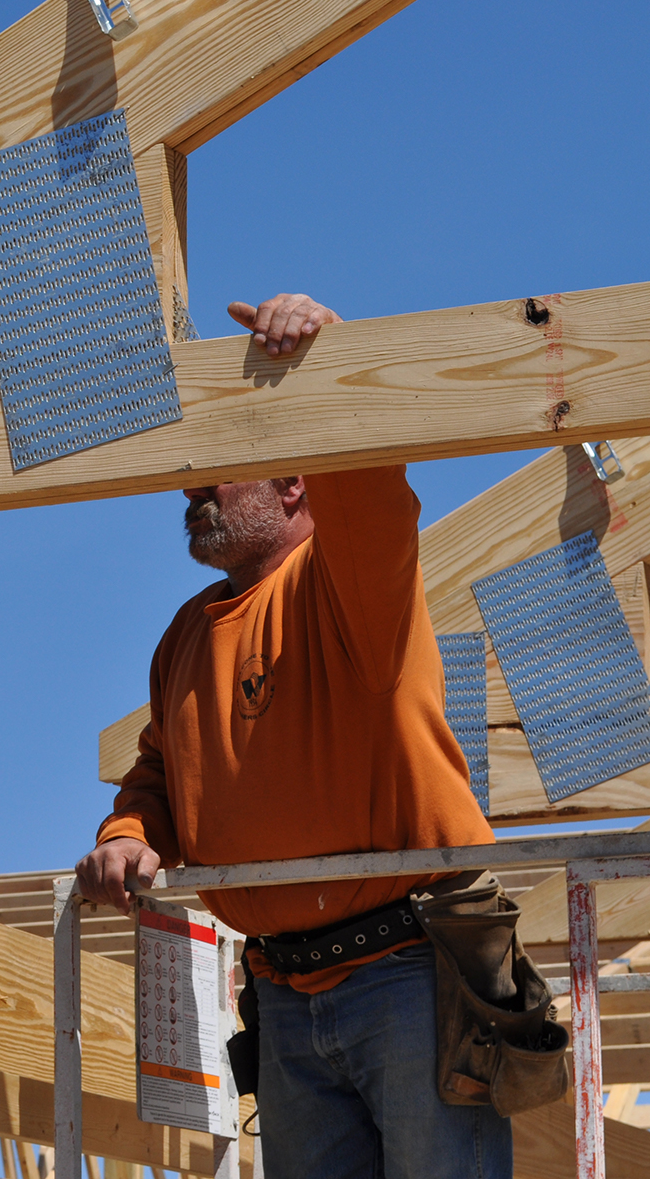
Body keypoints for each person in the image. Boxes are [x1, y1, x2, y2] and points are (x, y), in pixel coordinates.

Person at [73, 295, 508, 1177]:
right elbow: (159, 776)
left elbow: (378, 497)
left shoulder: (347, 584)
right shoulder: (187, 635)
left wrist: (324, 361)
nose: (191, 487)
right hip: (279, 988)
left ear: (295, 481)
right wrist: (126, 835)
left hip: (406, 969)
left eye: (218, 468)